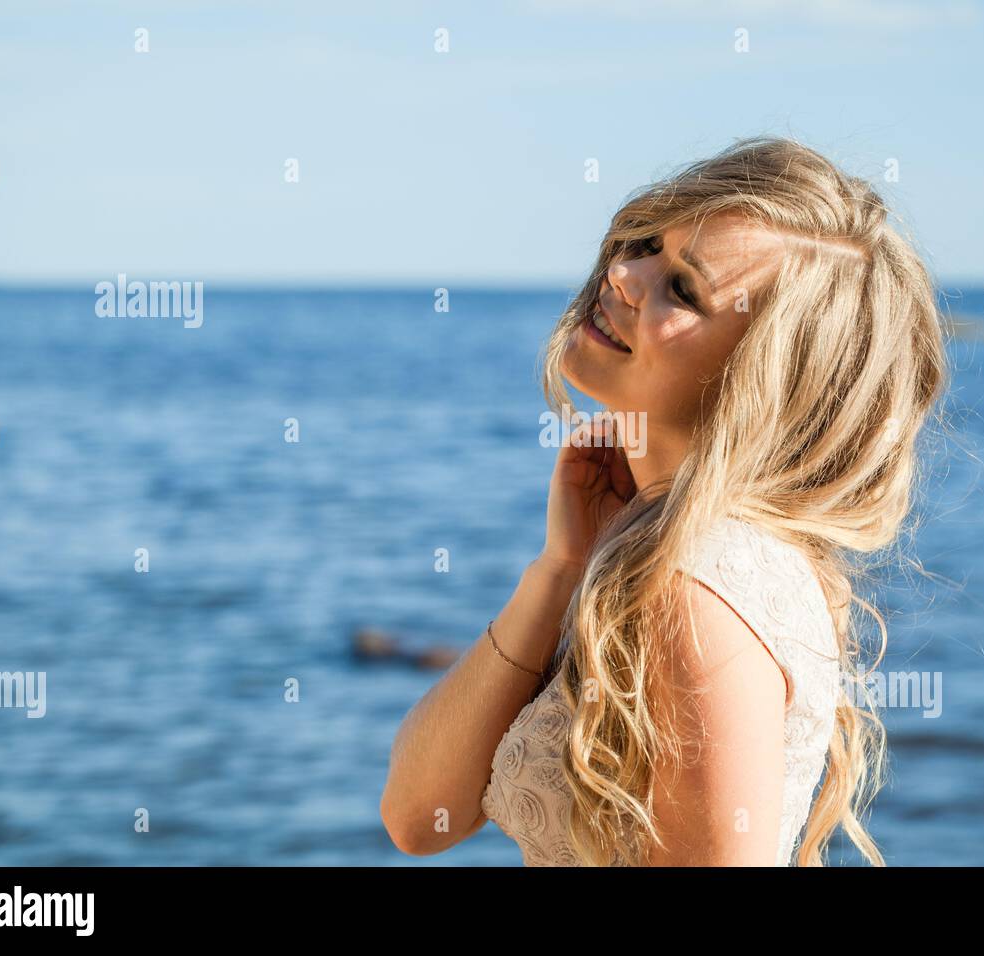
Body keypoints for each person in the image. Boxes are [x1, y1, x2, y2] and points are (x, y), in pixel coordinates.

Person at [380, 135, 948, 866]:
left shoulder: (699, 585)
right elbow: (418, 817)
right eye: (646, 245)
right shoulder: (671, 555)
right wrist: (560, 568)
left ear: (760, 379)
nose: (622, 272)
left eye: (683, 288)